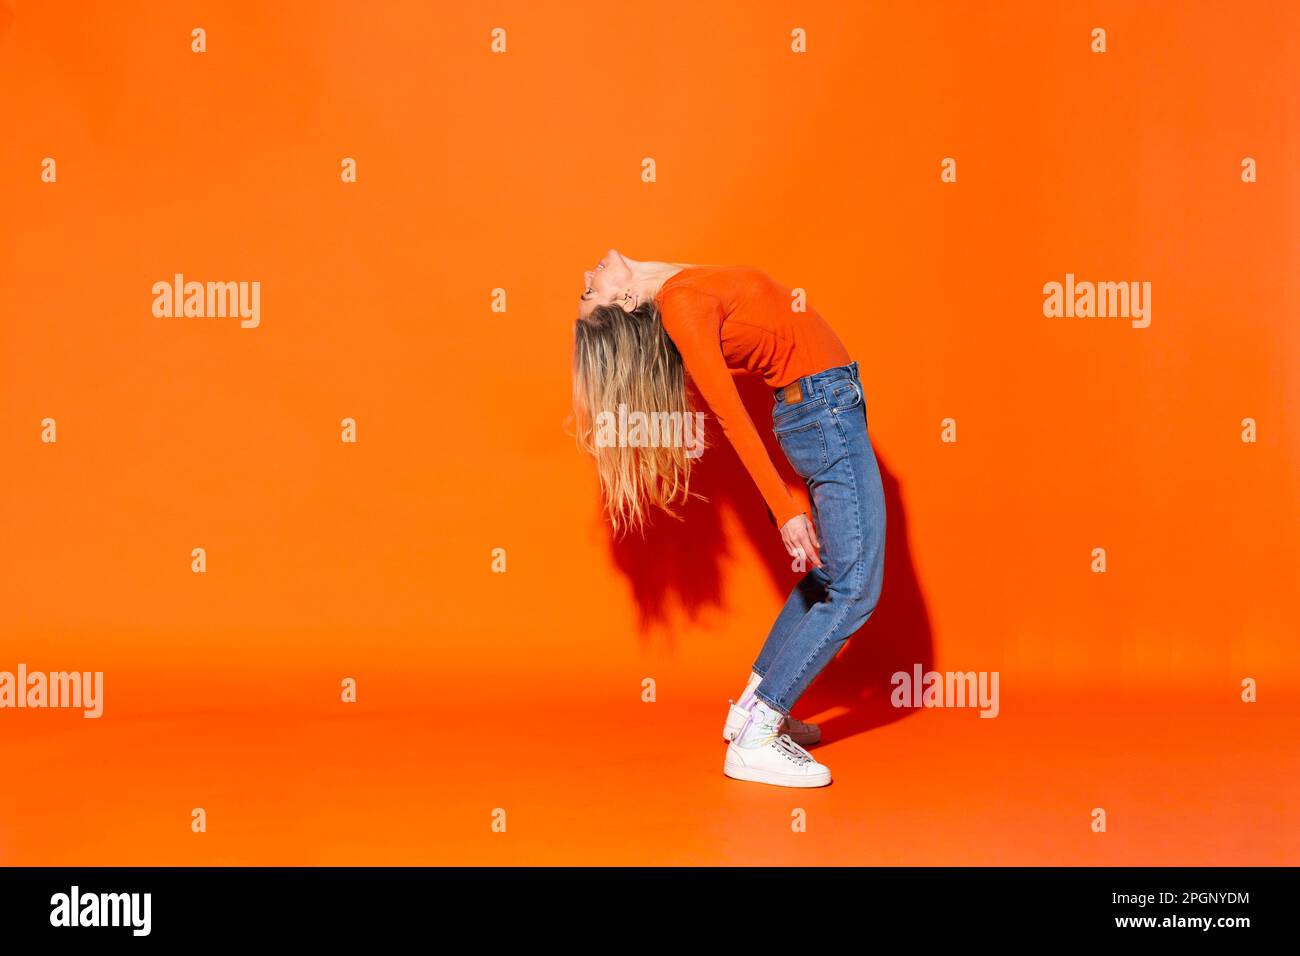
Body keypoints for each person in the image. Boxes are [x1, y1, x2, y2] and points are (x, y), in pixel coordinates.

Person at [572, 250, 886, 788]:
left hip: (825, 408)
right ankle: (757, 734)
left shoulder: (681, 285)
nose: (585, 275)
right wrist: (784, 511)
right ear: (624, 300)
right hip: (824, 413)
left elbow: (658, 272)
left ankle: (752, 708)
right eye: (587, 293)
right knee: (857, 587)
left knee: (833, 576)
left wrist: (633, 278)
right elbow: (730, 415)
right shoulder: (682, 305)